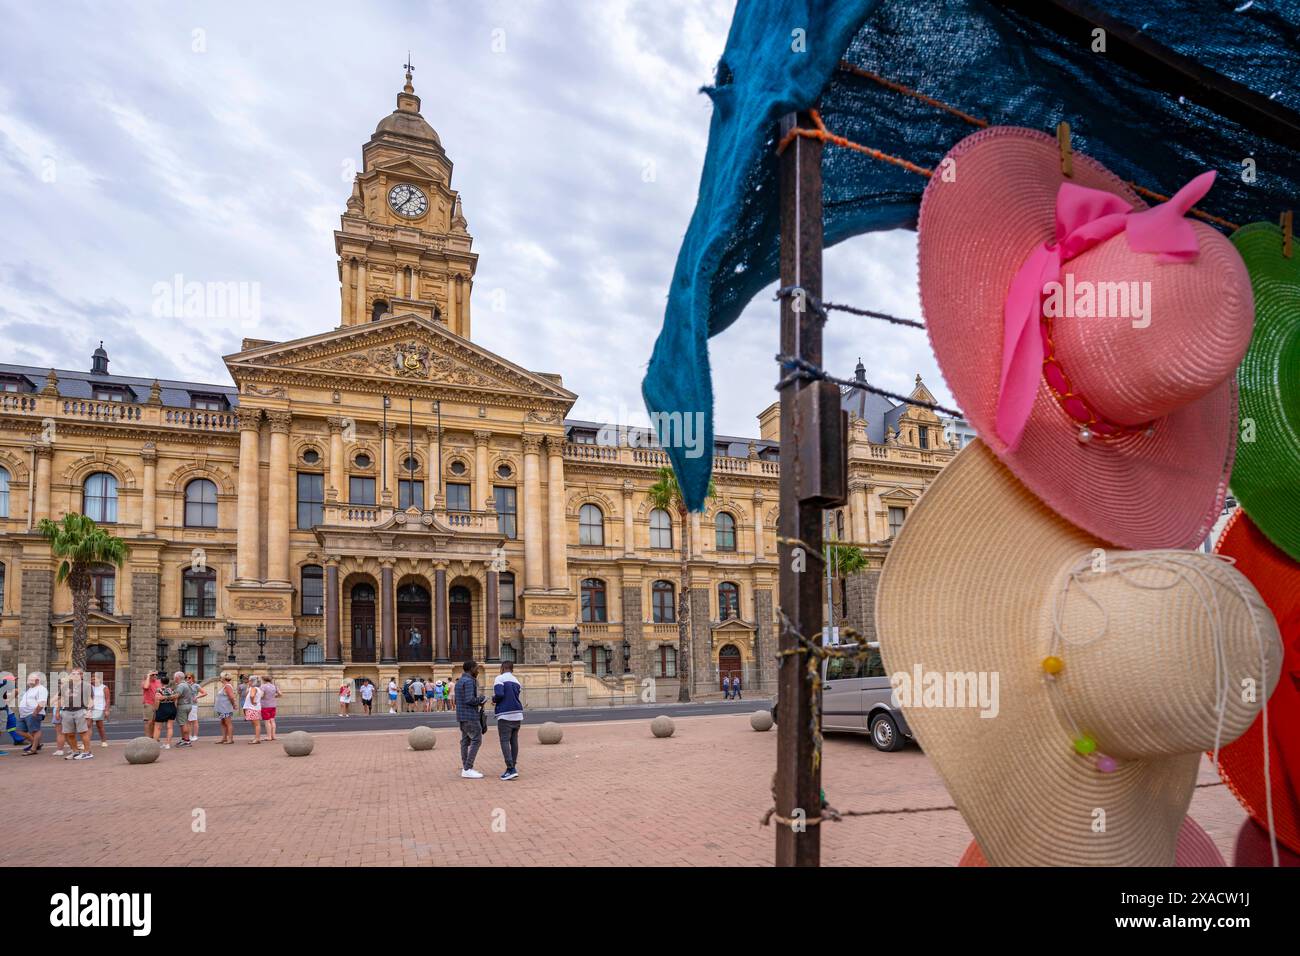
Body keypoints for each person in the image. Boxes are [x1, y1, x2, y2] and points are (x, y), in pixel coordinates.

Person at [492, 661, 524, 781]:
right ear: (512, 669)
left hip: (505, 714)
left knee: (504, 741)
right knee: (514, 741)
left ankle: (510, 769)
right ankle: (512, 766)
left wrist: (494, 699)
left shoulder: (499, 678)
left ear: (502, 668)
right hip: (517, 714)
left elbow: (499, 694)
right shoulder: (517, 681)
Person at [455, 660, 486, 779]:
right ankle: (467, 768)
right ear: (471, 669)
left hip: (462, 716)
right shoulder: (469, 681)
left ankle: (466, 768)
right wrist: (481, 700)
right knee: (476, 740)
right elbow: (469, 700)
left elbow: (461, 700)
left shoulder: (459, 682)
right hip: (470, 716)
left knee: (465, 741)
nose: (478, 671)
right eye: (476, 668)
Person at [59, 668, 95, 760]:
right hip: (67, 711)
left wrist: (89, 710)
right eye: (73, 674)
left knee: (83, 732)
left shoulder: (86, 686)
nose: (75, 675)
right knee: (69, 733)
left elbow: (91, 699)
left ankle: (87, 752)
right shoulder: (65, 686)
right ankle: (75, 751)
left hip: (80, 710)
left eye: (77, 674)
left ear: (81, 675)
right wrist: (60, 710)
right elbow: (61, 698)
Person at [17, 673, 48, 755]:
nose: (28, 682)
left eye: (31, 680)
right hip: (23, 714)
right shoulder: (30, 689)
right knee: (19, 731)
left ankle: (33, 749)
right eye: (28, 680)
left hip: (33, 713)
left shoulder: (41, 689)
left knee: (35, 731)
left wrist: (36, 712)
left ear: (37, 680)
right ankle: (36, 744)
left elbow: (42, 702)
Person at [152, 673, 179, 749]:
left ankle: (154, 745)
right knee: (170, 727)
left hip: (162, 708)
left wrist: (156, 709)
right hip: (171, 707)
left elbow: (157, 700)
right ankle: (168, 744)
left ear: (161, 682)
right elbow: (175, 699)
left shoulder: (159, 690)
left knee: (157, 727)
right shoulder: (172, 690)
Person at [214, 673, 237, 743]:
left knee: (228, 723)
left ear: (223, 678)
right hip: (222, 709)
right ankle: (224, 738)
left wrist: (234, 705)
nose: (219, 678)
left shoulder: (227, 686)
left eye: (220, 677)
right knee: (223, 722)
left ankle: (230, 739)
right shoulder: (225, 686)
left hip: (225, 708)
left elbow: (232, 697)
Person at [89, 672, 111, 748]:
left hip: (100, 708)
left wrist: (107, 710)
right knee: (88, 726)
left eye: (94, 678)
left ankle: (104, 741)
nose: (92, 679)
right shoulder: (90, 687)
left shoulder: (104, 687)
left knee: (100, 726)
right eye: (92, 678)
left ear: (99, 679)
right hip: (90, 709)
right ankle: (86, 742)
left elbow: (107, 699)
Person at [173, 671, 195, 746]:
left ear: (177, 677)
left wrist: (167, 696)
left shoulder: (181, 686)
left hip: (182, 706)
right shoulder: (187, 684)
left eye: (174, 677)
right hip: (188, 705)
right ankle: (184, 739)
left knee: (183, 724)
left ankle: (186, 740)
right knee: (185, 722)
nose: (174, 679)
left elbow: (176, 696)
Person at [185, 671, 206, 744]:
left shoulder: (196, 685)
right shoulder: (185, 685)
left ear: (193, 678)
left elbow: (205, 693)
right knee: (189, 721)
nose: (187, 679)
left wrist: (197, 696)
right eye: (186, 677)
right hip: (186, 704)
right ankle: (190, 735)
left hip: (193, 705)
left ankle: (195, 735)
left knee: (194, 720)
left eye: (189, 677)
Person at [141, 669, 161, 739]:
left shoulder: (158, 682)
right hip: (149, 703)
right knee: (148, 722)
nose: (155, 676)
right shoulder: (145, 682)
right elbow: (146, 687)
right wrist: (148, 676)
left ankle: (153, 736)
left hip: (157, 704)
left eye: (156, 674)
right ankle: (147, 738)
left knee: (155, 722)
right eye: (153, 674)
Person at [243, 675, 263, 744]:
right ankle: (256, 738)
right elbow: (247, 694)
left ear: (252, 681)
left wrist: (252, 701)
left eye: (249, 680)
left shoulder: (253, 688)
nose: (248, 681)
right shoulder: (256, 688)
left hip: (252, 708)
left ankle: (257, 738)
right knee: (255, 724)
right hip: (255, 708)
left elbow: (252, 696)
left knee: (256, 724)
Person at [260, 673, 280, 741]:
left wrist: (260, 697)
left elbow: (262, 695)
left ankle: (269, 736)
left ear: (263, 680)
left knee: (267, 721)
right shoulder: (274, 686)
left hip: (265, 706)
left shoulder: (263, 686)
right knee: (272, 720)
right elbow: (280, 694)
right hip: (273, 705)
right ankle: (273, 736)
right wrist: (274, 696)